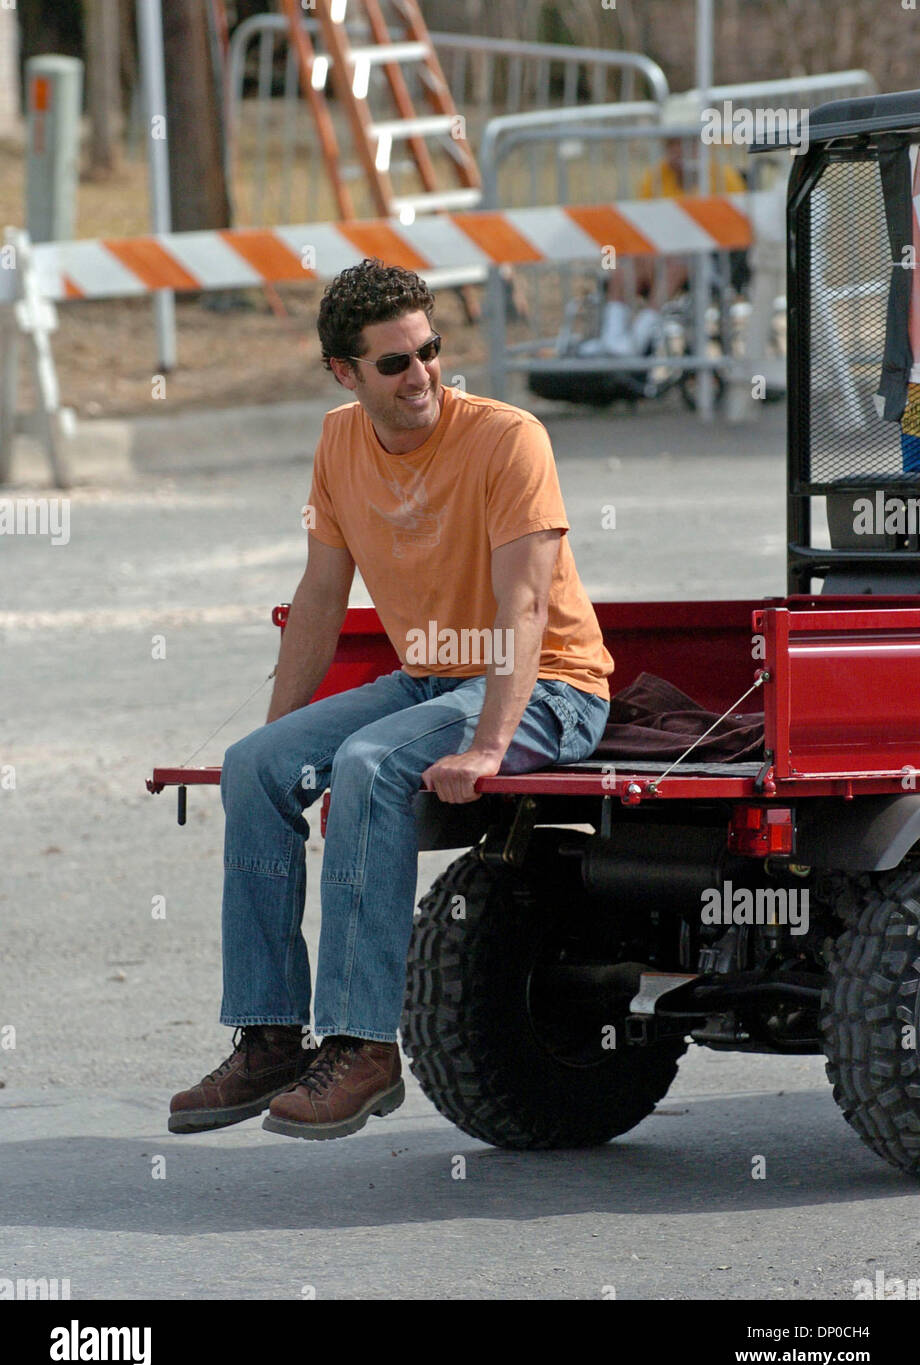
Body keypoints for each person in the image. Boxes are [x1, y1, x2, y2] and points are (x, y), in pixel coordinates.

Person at [168, 259, 613, 1143]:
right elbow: (322, 596)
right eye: (395, 363)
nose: (422, 376)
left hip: (544, 684)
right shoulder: (340, 442)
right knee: (255, 766)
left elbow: (523, 606)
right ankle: (267, 1037)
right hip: (429, 679)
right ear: (345, 373)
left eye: (430, 352)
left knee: (372, 767)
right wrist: (285, 735)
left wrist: (490, 745)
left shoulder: (508, 438)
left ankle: (365, 1047)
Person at [578, 137, 747, 358]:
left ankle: (639, 337)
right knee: (626, 265)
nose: (679, 152)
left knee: (677, 262)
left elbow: (737, 230)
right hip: (659, 254)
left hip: (710, 260)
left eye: (686, 145)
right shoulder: (656, 178)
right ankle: (612, 338)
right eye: (672, 146)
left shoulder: (724, 177)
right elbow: (641, 225)